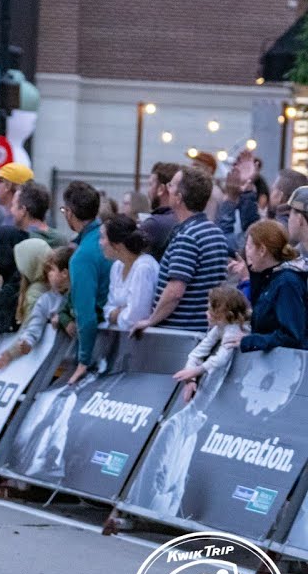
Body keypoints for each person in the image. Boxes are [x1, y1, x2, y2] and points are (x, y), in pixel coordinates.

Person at [131, 167, 229, 335]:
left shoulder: (188, 236)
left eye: (171, 185)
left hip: (180, 334)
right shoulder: (215, 232)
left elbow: (175, 291)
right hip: (202, 331)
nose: (167, 189)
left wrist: (151, 320)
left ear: (179, 198)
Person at [226, 220, 308, 354]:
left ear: (262, 250)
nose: (246, 252)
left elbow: (291, 336)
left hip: (287, 363)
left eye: (249, 246)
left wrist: (250, 341)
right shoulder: (270, 278)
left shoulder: (287, 283)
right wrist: (249, 273)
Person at [61, 181, 112, 385]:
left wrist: (83, 360)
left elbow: (85, 313)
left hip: (101, 346)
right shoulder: (106, 239)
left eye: (64, 210)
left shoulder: (82, 256)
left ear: (70, 213)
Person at [0, 246, 72, 371]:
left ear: (65, 273)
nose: (49, 274)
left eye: (52, 269)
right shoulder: (46, 300)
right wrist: (26, 343)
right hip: (59, 363)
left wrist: (64, 318)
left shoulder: (82, 293)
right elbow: (34, 325)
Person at [172, 286, 249, 402]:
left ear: (225, 314)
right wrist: (191, 379)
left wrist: (197, 370)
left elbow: (221, 359)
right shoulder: (219, 327)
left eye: (211, 310)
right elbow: (197, 353)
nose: (207, 313)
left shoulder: (233, 330)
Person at [99, 214, 159, 331]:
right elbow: (108, 308)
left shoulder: (143, 268)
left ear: (117, 245)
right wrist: (120, 311)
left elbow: (136, 317)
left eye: (103, 237)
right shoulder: (117, 266)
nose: (100, 243)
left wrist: (117, 314)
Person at [139, 162, 181, 260]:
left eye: (150, 185)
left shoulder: (154, 224)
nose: (148, 191)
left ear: (161, 189)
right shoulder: (183, 219)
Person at [11, 182, 69, 248]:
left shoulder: (19, 242)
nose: (11, 210)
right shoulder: (61, 240)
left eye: (13, 205)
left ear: (23, 210)